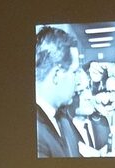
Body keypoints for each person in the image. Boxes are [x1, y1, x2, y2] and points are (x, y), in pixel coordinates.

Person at [35, 26, 81, 158]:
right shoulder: (35, 134)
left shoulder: (61, 117)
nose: (78, 81)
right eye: (75, 72)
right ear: (56, 75)